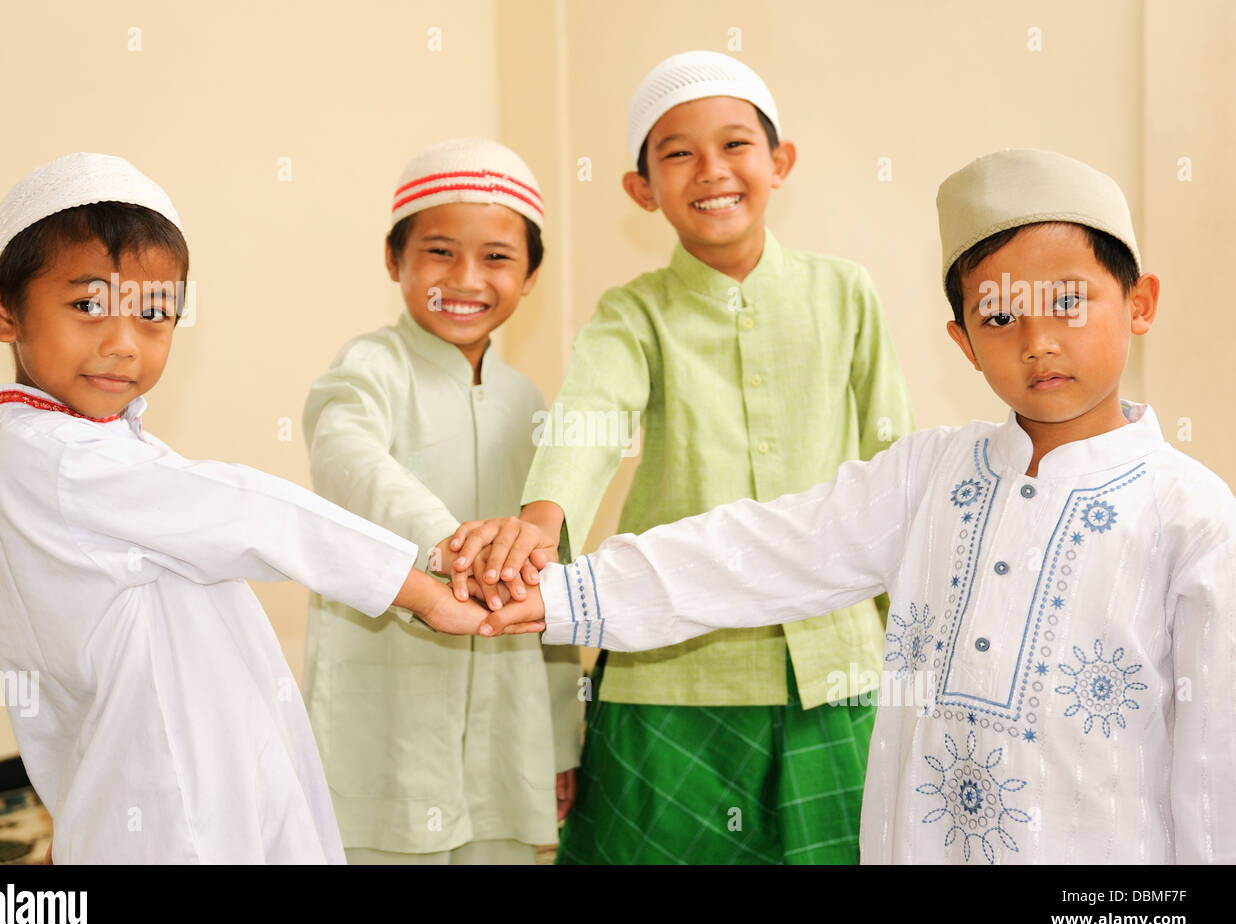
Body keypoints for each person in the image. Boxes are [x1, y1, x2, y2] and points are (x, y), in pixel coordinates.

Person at [479, 147, 1236, 864]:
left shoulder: (1191, 515)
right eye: (999, 316)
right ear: (964, 341)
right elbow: (757, 553)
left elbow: (1213, 768)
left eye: (1068, 303)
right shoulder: (929, 475)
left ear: (1140, 304)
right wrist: (549, 594)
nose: (1036, 340)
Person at [0, 153, 520, 864]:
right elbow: (253, 512)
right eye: (86, 306)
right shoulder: (58, 456)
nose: (122, 343)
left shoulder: (75, 443)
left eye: (154, 315)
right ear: (1, 307)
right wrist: (424, 591)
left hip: (198, 758)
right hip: (170, 782)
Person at [450, 51, 915, 864]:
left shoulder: (847, 293)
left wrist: (914, 643)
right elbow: (591, 415)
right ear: (642, 189)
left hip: (837, 673)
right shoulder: (633, 313)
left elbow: (896, 465)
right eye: (677, 153)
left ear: (780, 162)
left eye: (736, 145)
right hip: (667, 683)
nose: (712, 171)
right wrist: (540, 520)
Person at [301, 140, 582, 865]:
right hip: (385, 705)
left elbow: (554, 590)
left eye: (495, 257)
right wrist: (449, 540)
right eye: (438, 252)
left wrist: (559, 740)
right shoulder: (369, 369)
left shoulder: (530, 402)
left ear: (531, 276)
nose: (465, 278)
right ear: (394, 260)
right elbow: (345, 457)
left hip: (508, 723)